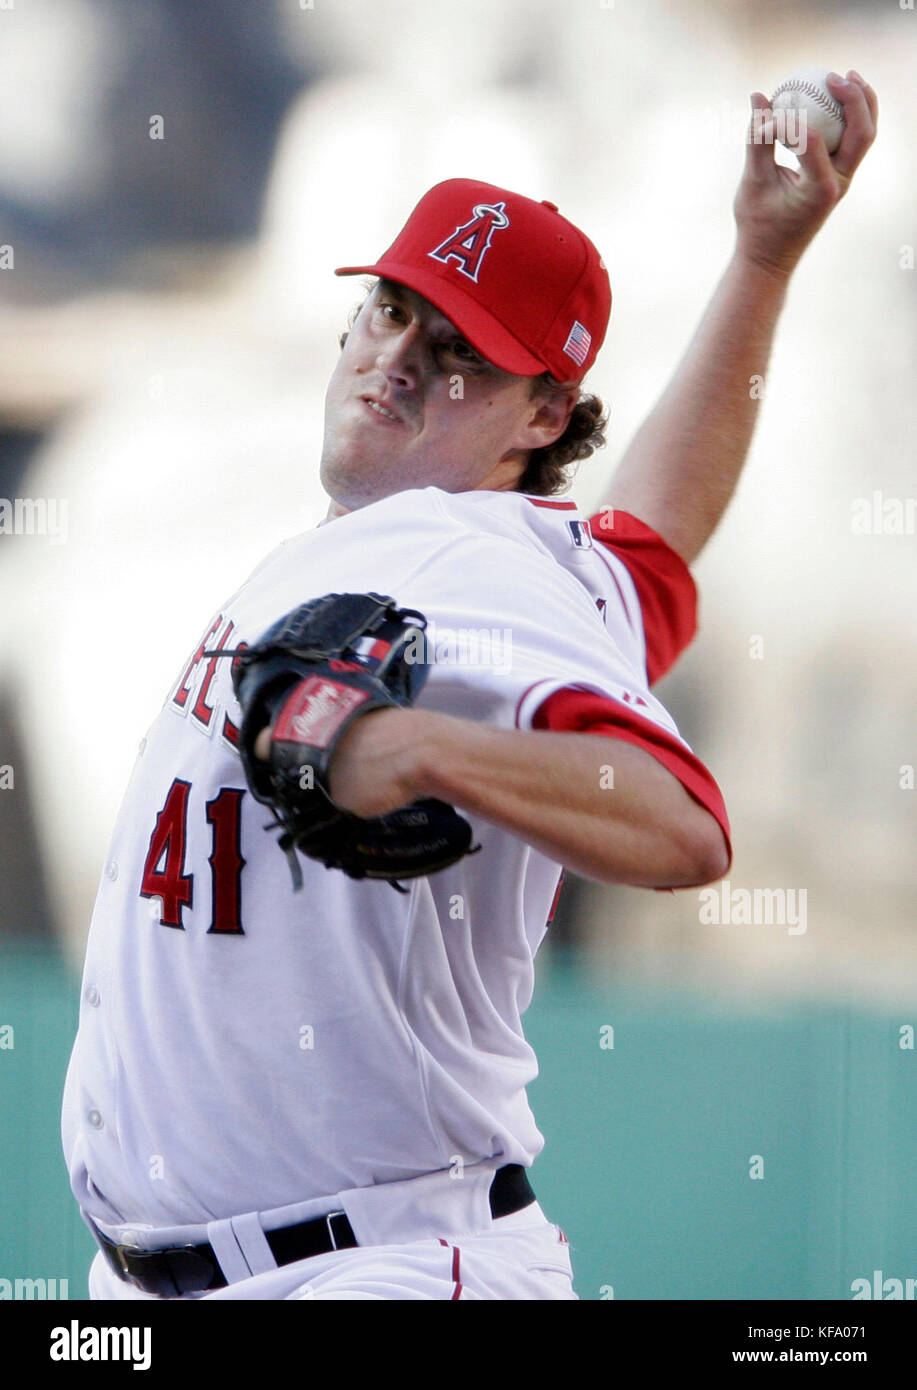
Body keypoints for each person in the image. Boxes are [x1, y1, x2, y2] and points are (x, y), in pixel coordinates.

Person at [62, 74, 876, 1301]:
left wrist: (424, 751)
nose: (396, 359)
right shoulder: (503, 559)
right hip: (217, 1271)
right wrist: (761, 257)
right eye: (390, 310)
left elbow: (680, 821)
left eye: (456, 354)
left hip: (364, 1266)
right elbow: (653, 538)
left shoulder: (459, 552)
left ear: (542, 411)